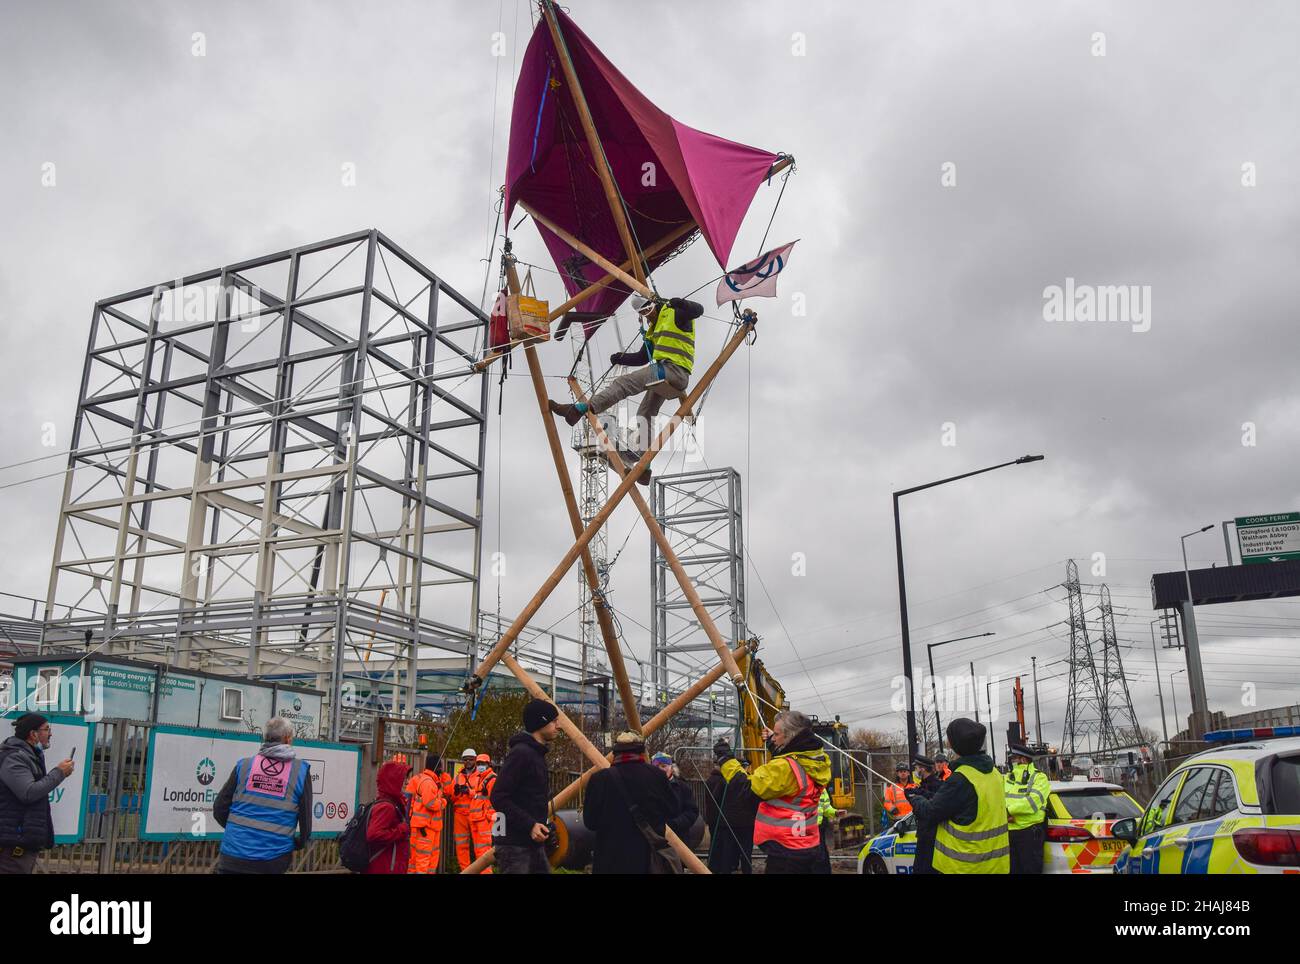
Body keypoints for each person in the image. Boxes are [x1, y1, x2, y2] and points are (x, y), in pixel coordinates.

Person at [548, 295, 706, 486]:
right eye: (643, 314)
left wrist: (681, 303)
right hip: (665, 375)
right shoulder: (654, 329)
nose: (648, 317)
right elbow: (641, 357)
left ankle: (580, 409)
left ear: (654, 305)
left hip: (674, 371)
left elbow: (698, 310)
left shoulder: (676, 313)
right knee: (645, 413)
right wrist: (621, 358)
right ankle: (645, 467)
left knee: (624, 383)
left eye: (648, 311)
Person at [714, 709, 831, 874]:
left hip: (785, 850)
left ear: (790, 736)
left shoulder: (784, 768)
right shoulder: (816, 759)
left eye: (776, 734)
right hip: (808, 844)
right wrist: (773, 742)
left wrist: (725, 758)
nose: (773, 738)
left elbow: (746, 788)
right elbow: (792, 756)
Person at [906, 718, 1009, 875]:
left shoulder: (961, 779)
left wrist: (915, 797)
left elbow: (931, 812)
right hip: (995, 865)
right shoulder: (994, 773)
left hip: (965, 866)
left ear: (955, 745)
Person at [213, 717, 312, 874]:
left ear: (264, 738)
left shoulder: (244, 765)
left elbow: (219, 809)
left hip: (233, 856)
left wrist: (238, 832)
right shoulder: (300, 771)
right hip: (273, 858)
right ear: (288, 738)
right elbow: (305, 822)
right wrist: (296, 843)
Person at [584, 734, 681, 874]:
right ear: (642, 752)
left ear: (615, 753)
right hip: (647, 859)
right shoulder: (657, 776)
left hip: (609, 859)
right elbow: (673, 810)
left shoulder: (599, 779)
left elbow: (590, 822)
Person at [489, 698, 560, 874]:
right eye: (554, 721)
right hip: (515, 846)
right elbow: (498, 796)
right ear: (540, 722)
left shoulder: (535, 755)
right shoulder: (522, 754)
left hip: (531, 844)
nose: (558, 726)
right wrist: (530, 825)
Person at [0, 713, 74, 874]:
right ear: (33, 734)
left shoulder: (29, 756)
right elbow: (28, 793)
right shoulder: (14, 757)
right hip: (12, 844)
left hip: (21, 842)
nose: (50, 733)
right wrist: (59, 773)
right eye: (46, 729)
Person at [1004, 743, 1051, 875]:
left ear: (1023, 759)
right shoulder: (1008, 777)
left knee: (1030, 870)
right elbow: (999, 798)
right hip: (1008, 833)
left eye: (1013, 758)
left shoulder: (1039, 777)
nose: (1011, 761)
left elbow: (1032, 803)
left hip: (1028, 834)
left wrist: (1008, 811)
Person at [704, 759, 757, 874]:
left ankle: (728, 869)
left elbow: (716, 798)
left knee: (728, 852)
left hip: (730, 823)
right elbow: (756, 800)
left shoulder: (725, 780)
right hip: (746, 823)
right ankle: (746, 871)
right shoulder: (749, 780)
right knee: (746, 852)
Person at [405, 752, 451, 874]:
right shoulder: (429, 782)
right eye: (441, 767)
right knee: (423, 861)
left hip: (426, 827)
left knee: (420, 860)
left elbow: (409, 801)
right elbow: (431, 803)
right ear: (438, 767)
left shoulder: (421, 779)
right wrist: (443, 802)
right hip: (426, 828)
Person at [366, 759, 410, 874]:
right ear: (393, 781)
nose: (407, 782)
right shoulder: (387, 807)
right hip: (384, 867)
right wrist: (401, 830)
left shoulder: (391, 803)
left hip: (387, 866)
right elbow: (374, 834)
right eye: (404, 779)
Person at [651, 752, 700, 843]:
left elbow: (691, 811)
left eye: (663, 766)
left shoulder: (682, 787)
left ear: (671, 768)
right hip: (655, 838)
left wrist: (674, 824)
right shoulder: (648, 787)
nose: (660, 769)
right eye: (656, 766)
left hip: (679, 837)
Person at [909, 755, 943, 875]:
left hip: (933, 837)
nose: (915, 771)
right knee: (918, 869)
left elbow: (933, 807)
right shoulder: (922, 785)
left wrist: (919, 795)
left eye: (917, 767)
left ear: (922, 769)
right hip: (923, 834)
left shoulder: (938, 785)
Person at [467, 752, 497, 874]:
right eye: (478, 763)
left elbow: (496, 801)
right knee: (480, 854)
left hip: (484, 822)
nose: (480, 765)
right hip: (476, 820)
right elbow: (478, 795)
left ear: (488, 764)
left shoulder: (492, 778)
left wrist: (488, 817)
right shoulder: (481, 778)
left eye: (482, 763)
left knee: (484, 854)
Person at [451, 747, 479, 871]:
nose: (468, 762)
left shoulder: (481, 776)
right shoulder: (457, 777)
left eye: (470, 759)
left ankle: (481, 870)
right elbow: (451, 798)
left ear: (475, 760)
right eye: (466, 760)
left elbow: (483, 795)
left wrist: (469, 792)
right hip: (460, 816)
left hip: (476, 815)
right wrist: (456, 793)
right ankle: (466, 871)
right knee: (461, 846)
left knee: (480, 846)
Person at [813, 787, 843, 874]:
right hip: (804, 829)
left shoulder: (822, 789)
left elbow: (826, 808)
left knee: (822, 858)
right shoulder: (802, 786)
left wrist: (835, 812)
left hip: (819, 829)